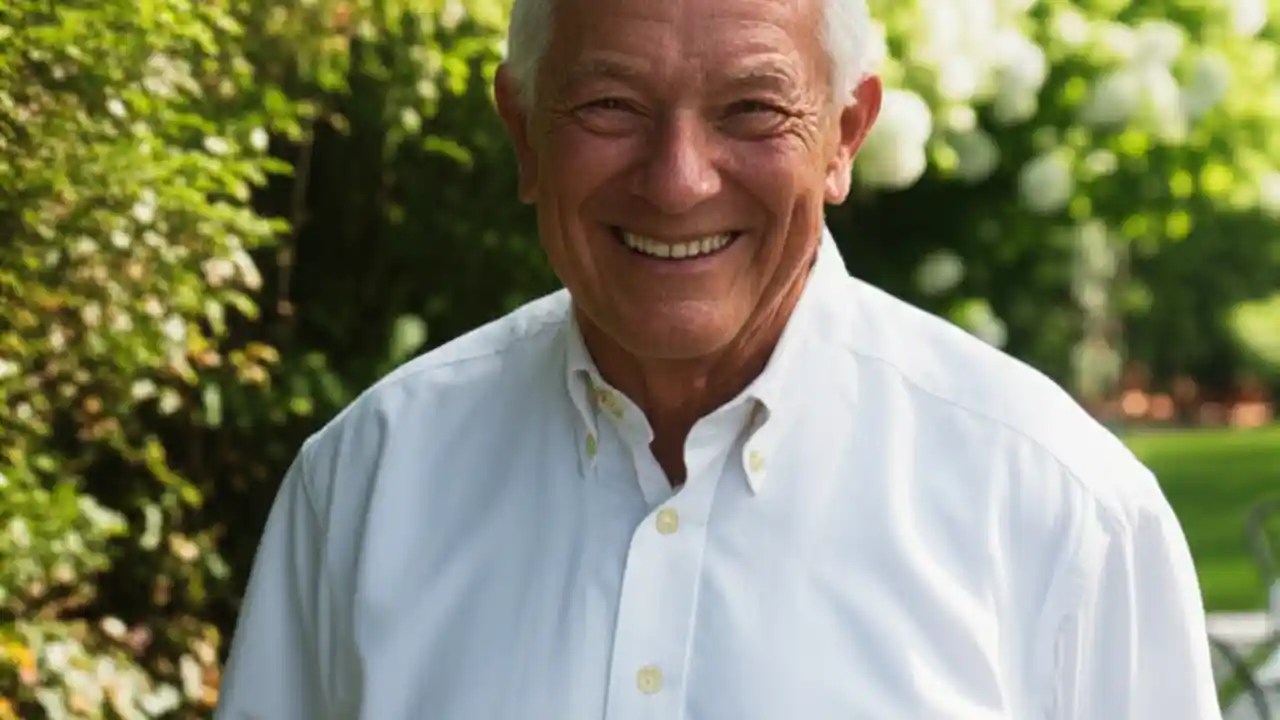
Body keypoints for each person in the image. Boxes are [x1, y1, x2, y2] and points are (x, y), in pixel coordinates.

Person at [215, 0, 1223, 717]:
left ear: (843, 135)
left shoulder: (1061, 510)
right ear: (522, 132)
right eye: (610, 105)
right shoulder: (369, 479)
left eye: (750, 110)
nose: (676, 180)